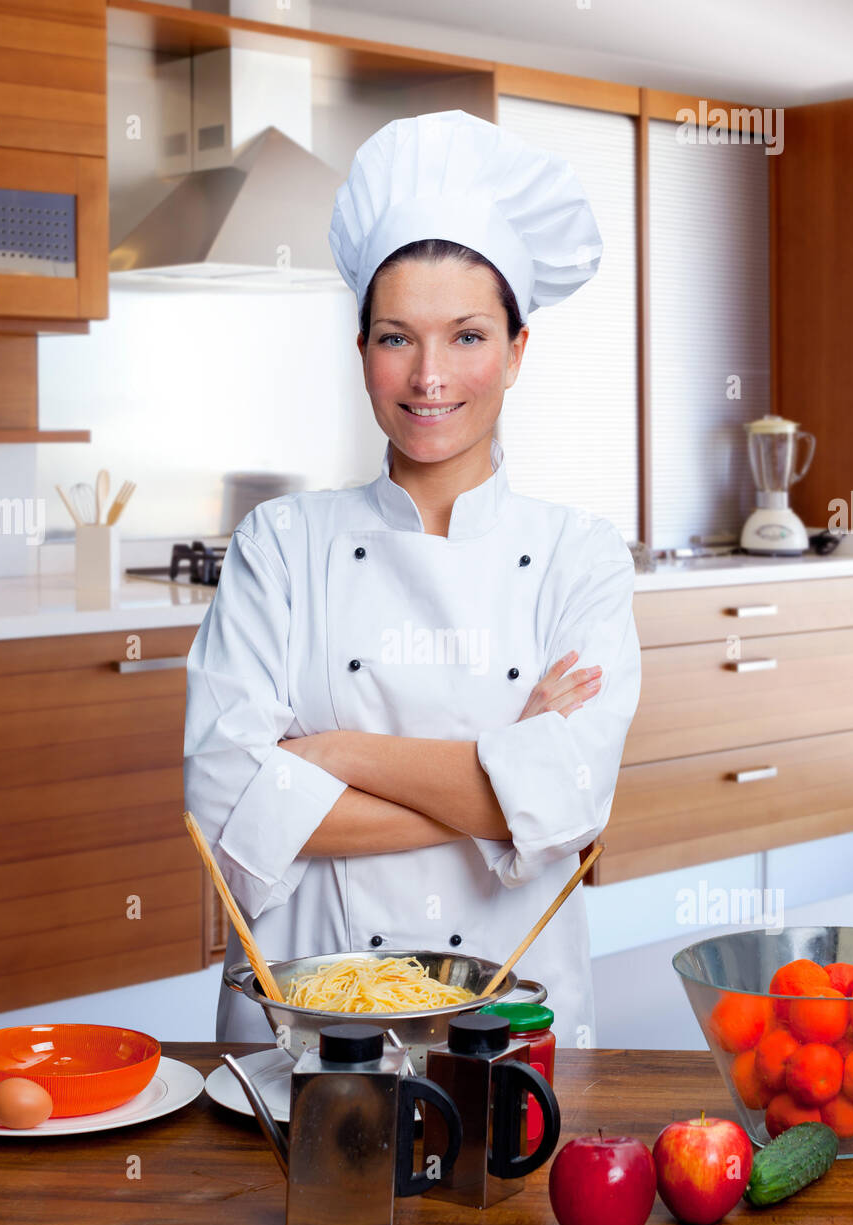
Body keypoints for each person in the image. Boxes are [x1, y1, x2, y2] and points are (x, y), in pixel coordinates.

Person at [184, 109, 642, 1047]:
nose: (430, 375)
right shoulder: (279, 544)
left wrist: (332, 757)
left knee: (507, 1188)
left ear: (517, 352)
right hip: (304, 1023)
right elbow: (228, 800)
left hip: (510, 1020)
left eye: (468, 336)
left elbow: (571, 803)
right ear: (362, 352)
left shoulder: (580, 556)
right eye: (397, 337)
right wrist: (502, 784)